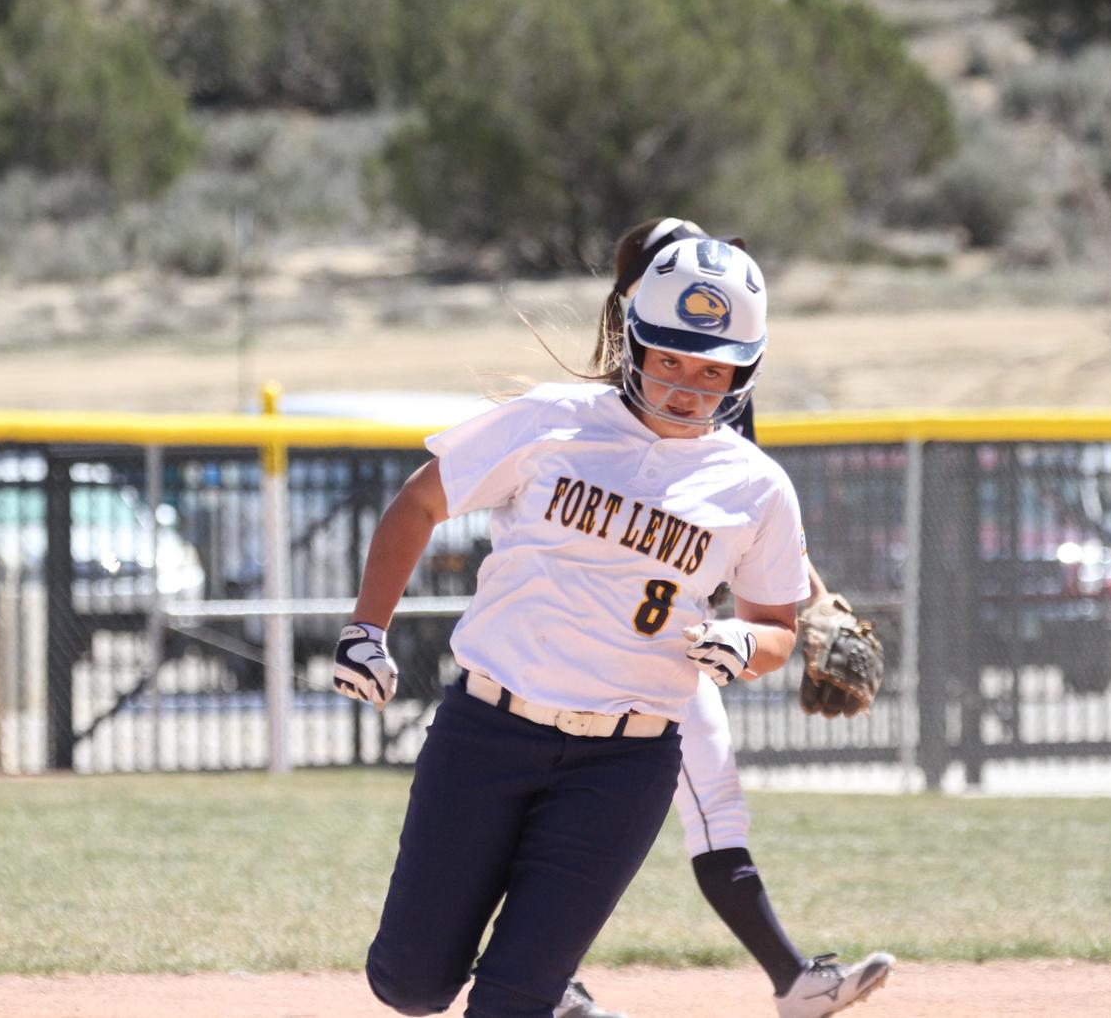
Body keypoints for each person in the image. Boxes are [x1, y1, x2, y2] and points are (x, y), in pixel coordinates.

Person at [333, 235, 813, 1018]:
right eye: (671, 358)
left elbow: (777, 629)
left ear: (742, 374)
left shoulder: (756, 485)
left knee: (511, 1001)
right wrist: (366, 628)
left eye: (712, 368)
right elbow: (419, 502)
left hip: (622, 766)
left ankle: (537, 983)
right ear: (635, 343)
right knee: (410, 983)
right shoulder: (551, 420)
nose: (688, 384)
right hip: (487, 731)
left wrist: (744, 645)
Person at [556, 218, 894, 1018]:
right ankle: (552, 981)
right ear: (640, 293)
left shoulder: (713, 384)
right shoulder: (620, 404)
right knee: (622, 816)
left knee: (710, 803)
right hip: (611, 649)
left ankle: (791, 980)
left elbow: (756, 526)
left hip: (677, 638)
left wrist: (811, 605)